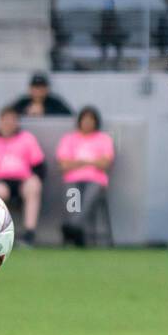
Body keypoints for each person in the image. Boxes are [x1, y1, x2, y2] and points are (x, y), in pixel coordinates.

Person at [0, 107, 45, 246]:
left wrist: (35, 179)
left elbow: (39, 165)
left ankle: (29, 233)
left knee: (33, 186)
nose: (9, 123)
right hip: (1, 181)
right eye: (6, 119)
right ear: (0, 121)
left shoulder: (27, 138)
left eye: (13, 120)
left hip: (23, 180)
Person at [57, 105, 114, 247]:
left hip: (95, 180)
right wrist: (91, 161)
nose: (87, 123)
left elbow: (105, 164)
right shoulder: (69, 139)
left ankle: (71, 227)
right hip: (73, 179)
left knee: (88, 199)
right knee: (73, 202)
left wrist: (79, 162)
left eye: (91, 120)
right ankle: (75, 231)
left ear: (96, 122)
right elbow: (64, 165)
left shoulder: (103, 139)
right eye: (85, 119)